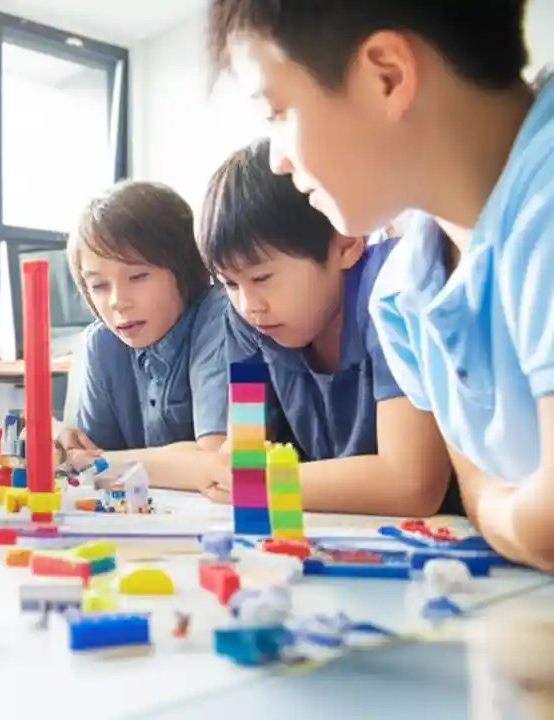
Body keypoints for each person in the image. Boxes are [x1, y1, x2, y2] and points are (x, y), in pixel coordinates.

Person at [207, 0, 553, 566]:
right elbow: (487, 495)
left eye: (276, 113)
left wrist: (508, 515)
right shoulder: (404, 294)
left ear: (386, 76)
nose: (277, 161)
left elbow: (534, 518)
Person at [199, 139, 451, 515]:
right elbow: (243, 451)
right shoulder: (246, 321)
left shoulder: (391, 294)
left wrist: (264, 485)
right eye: (230, 284)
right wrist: (248, 476)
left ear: (346, 245)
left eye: (263, 277)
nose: (249, 305)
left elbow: (411, 485)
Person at [57, 180, 230, 491]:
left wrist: (94, 462)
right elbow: (91, 461)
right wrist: (74, 451)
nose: (117, 301)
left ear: (186, 267)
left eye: (138, 277)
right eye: (98, 285)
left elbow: (218, 462)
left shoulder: (219, 316)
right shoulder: (104, 342)